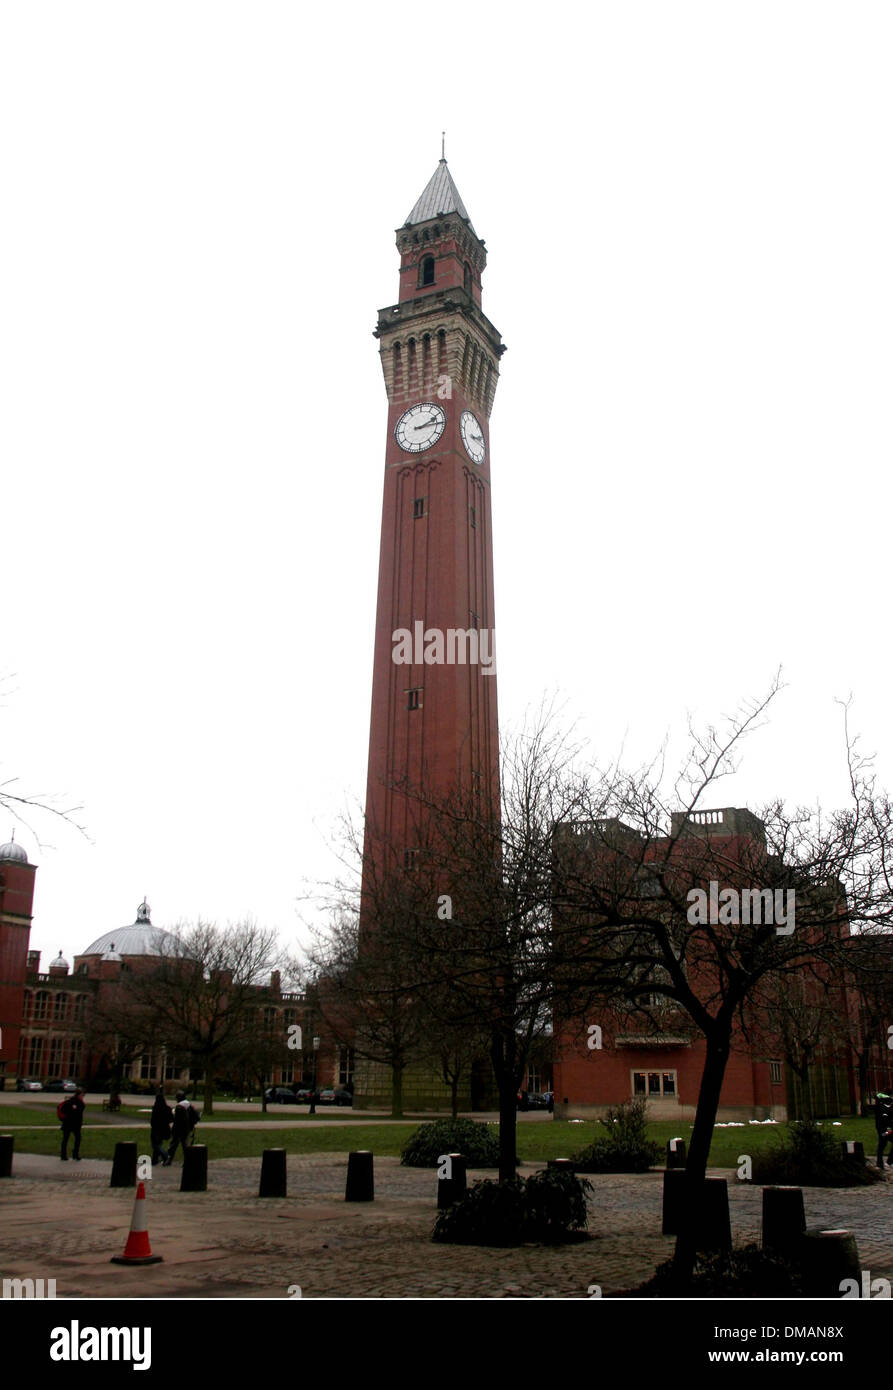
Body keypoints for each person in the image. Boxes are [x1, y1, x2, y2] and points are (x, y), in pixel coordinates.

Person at [165, 1090, 199, 1164]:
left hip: (178, 1130)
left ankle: (169, 1160)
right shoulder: (189, 1105)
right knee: (185, 1146)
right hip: (187, 1129)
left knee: (173, 1146)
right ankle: (187, 1161)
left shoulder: (179, 1107)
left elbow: (177, 1121)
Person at [59, 1088, 86, 1161]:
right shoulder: (73, 1102)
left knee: (76, 1139)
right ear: (78, 1095)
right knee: (68, 1139)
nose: (83, 1096)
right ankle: (67, 1154)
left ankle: (72, 1154)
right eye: (82, 1095)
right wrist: (72, 1112)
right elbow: (64, 1110)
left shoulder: (78, 1102)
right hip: (70, 1123)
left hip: (73, 1124)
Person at [150, 1090, 173, 1166]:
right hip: (165, 1129)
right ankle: (154, 1160)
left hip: (156, 1129)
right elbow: (171, 1119)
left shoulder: (156, 1108)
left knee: (155, 1145)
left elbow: (153, 1120)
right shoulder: (167, 1108)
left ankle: (165, 1155)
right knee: (158, 1144)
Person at [875, 1091, 893, 1169]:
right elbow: (877, 1096)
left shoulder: (889, 1107)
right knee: (882, 1144)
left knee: (881, 1145)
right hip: (884, 1131)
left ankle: (886, 1162)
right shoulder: (881, 1107)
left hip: (888, 1130)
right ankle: (883, 1162)